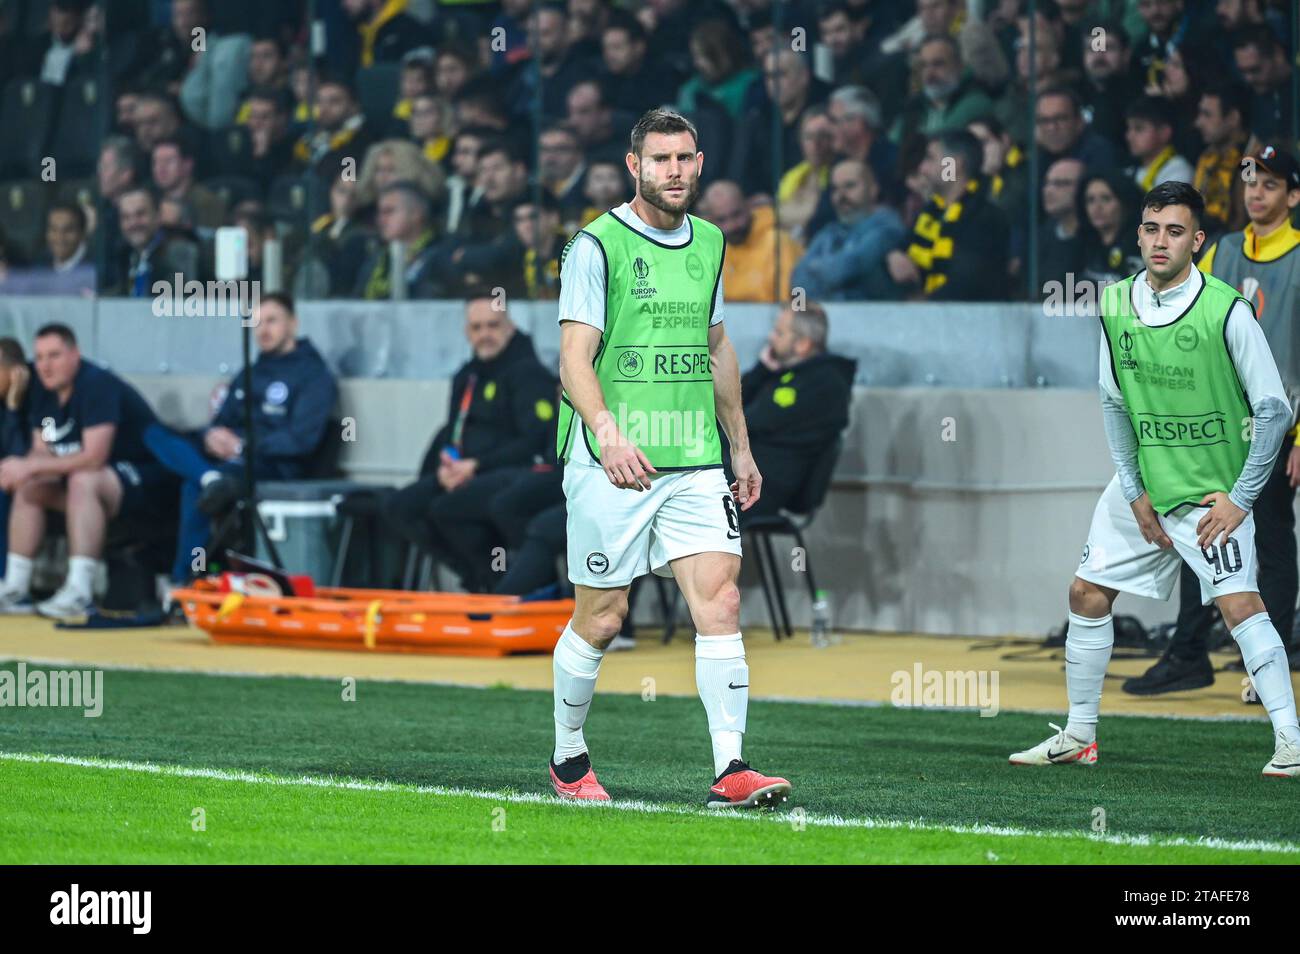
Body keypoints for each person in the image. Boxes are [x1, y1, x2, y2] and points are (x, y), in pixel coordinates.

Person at [1009, 182, 1300, 777]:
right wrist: (1135, 494)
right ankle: (1079, 736)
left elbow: (1274, 409)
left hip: (1213, 494)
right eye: (1150, 228)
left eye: (1174, 231)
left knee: (1242, 607)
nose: (1160, 241)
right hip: (1145, 482)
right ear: (1138, 234)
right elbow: (1114, 404)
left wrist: (1241, 500)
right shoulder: (1114, 303)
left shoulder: (1226, 309)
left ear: (1197, 241)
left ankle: (1292, 743)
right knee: (1085, 594)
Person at [551, 106, 791, 806]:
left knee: (721, 602)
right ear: (635, 166)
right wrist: (606, 430)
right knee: (602, 618)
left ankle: (731, 768)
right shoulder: (595, 246)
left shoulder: (712, 241)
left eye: (685, 158)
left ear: (700, 162)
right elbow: (574, 356)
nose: (675, 171)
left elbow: (716, 346)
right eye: (660, 159)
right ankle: (568, 759)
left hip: (692, 459)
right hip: (611, 464)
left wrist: (739, 447)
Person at [1125, 148, 1300, 695]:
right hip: (1218, 425)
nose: (1255, 193)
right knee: (1198, 533)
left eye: (1270, 185)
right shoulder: (1224, 249)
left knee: (1268, 538)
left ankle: (1269, 656)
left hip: (1276, 426)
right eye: (1250, 182)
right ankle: (1190, 651)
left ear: (1293, 196)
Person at [144, 294, 337, 585]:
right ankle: (208, 476)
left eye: (272, 321)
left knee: (192, 487)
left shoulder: (314, 376)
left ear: (293, 324)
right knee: (154, 434)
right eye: (256, 322)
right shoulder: (251, 372)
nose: (262, 330)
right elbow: (223, 421)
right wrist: (212, 437)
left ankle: (184, 580)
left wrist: (243, 446)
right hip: (227, 460)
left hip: (271, 468)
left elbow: (301, 442)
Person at [0, 324, 174, 620]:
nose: (45, 365)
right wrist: (25, 469)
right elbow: (41, 449)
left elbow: (95, 456)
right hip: (93, 487)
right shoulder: (44, 391)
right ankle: (15, 588)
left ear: (75, 354)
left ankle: (80, 590)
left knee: (84, 479)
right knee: (32, 486)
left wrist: (30, 465)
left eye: (54, 355)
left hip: (142, 480)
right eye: (40, 357)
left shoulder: (97, 384)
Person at [379, 297, 556, 582]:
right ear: (466, 332)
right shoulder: (467, 375)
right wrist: (449, 465)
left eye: (493, 326)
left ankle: (496, 582)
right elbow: (453, 430)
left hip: (510, 473)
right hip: (463, 471)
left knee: (448, 509)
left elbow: (534, 442)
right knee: (400, 507)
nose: (485, 334)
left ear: (510, 327)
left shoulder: (528, 373)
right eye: (477, 327)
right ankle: (475, 578)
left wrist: (476, 466)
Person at [735, 303, 854, 522]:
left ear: (802, 344)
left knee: (693, 492)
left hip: (769, 486)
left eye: (779, 332)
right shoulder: (783, 374)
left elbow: (751, 421)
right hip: (748, 475)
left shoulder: (824, 383)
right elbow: (733, 405)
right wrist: (762, 370)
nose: (771, 338)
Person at [886, 131, 1010, 301]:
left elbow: (967, 280)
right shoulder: (930, 212)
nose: (922, 168)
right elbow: (904, 247)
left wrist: (925, 303)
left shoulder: (985, 217)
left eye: (930, 159)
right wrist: (894, 255)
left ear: (954, 165)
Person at [790, 159, 903, 301]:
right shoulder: (829, 232)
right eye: (835, 189)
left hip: (875, 319)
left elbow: (845, 268)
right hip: (830, 318)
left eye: (850, 186)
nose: (841, 196)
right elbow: (798, 279)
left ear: (873, 189)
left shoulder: (887, 228)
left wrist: (815, 268)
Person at [699, 180, 803, 303]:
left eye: (736, 214)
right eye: (722, 219)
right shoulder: (713, 250)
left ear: (748, 206)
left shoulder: (778, 242)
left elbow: (791, 304)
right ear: (711, 220)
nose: (732, 226)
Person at [0, 339, 33, 577]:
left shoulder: (34, 398)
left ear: (16, 372)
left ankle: (4, 579)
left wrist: (13, 408)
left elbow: (16, 455)